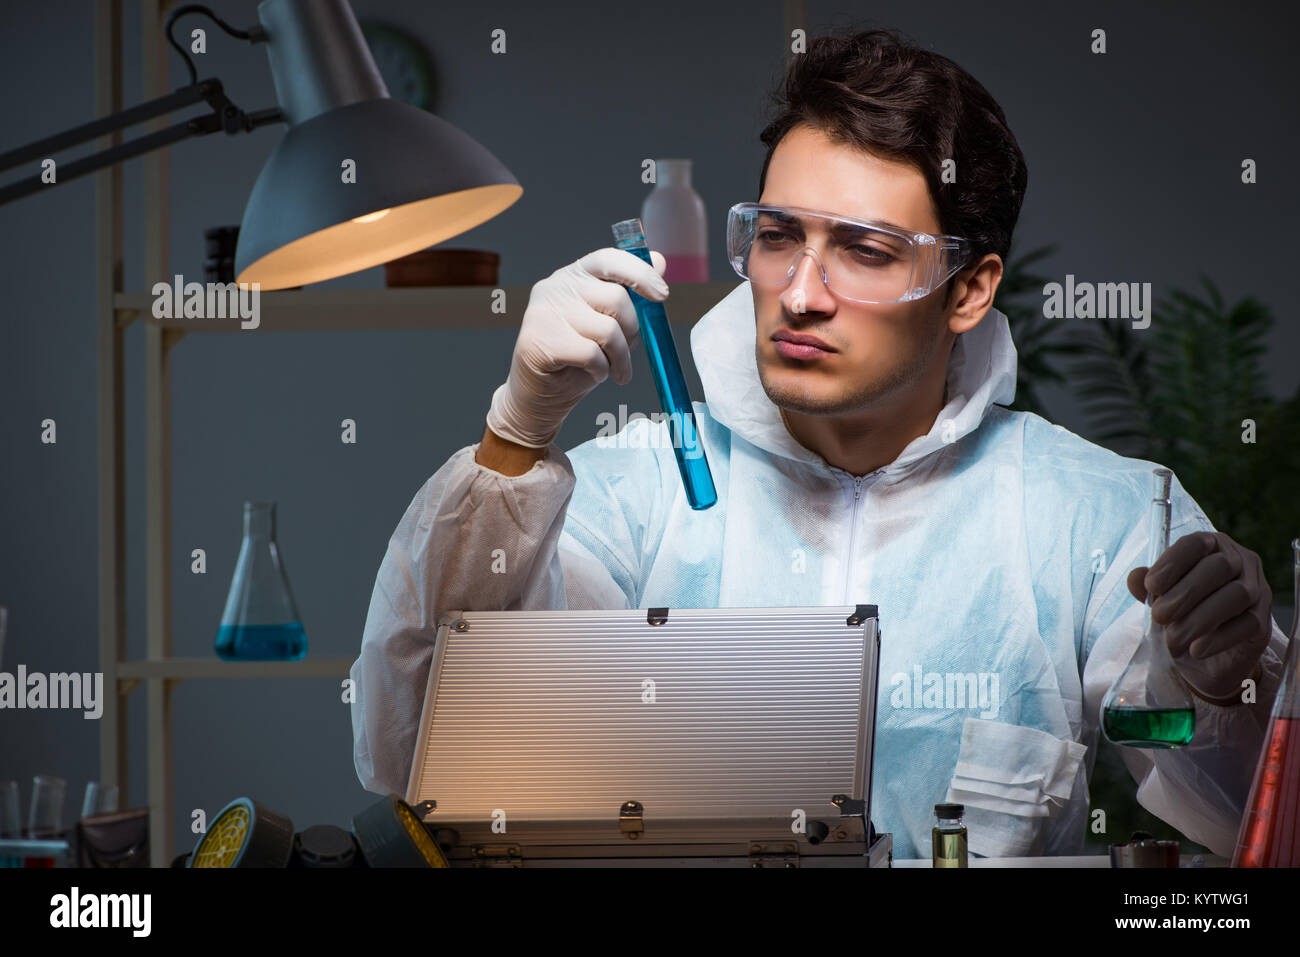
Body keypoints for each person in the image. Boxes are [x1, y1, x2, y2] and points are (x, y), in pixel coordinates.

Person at [350, 28, 1289, 860]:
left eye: (865, 250)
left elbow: (1259, 820)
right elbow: (410, 758)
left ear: (968, 289)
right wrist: (513, 437)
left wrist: (1233, 690)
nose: (799, 291)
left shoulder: (1096, 517)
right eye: (776, 235)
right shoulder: (634, 492)